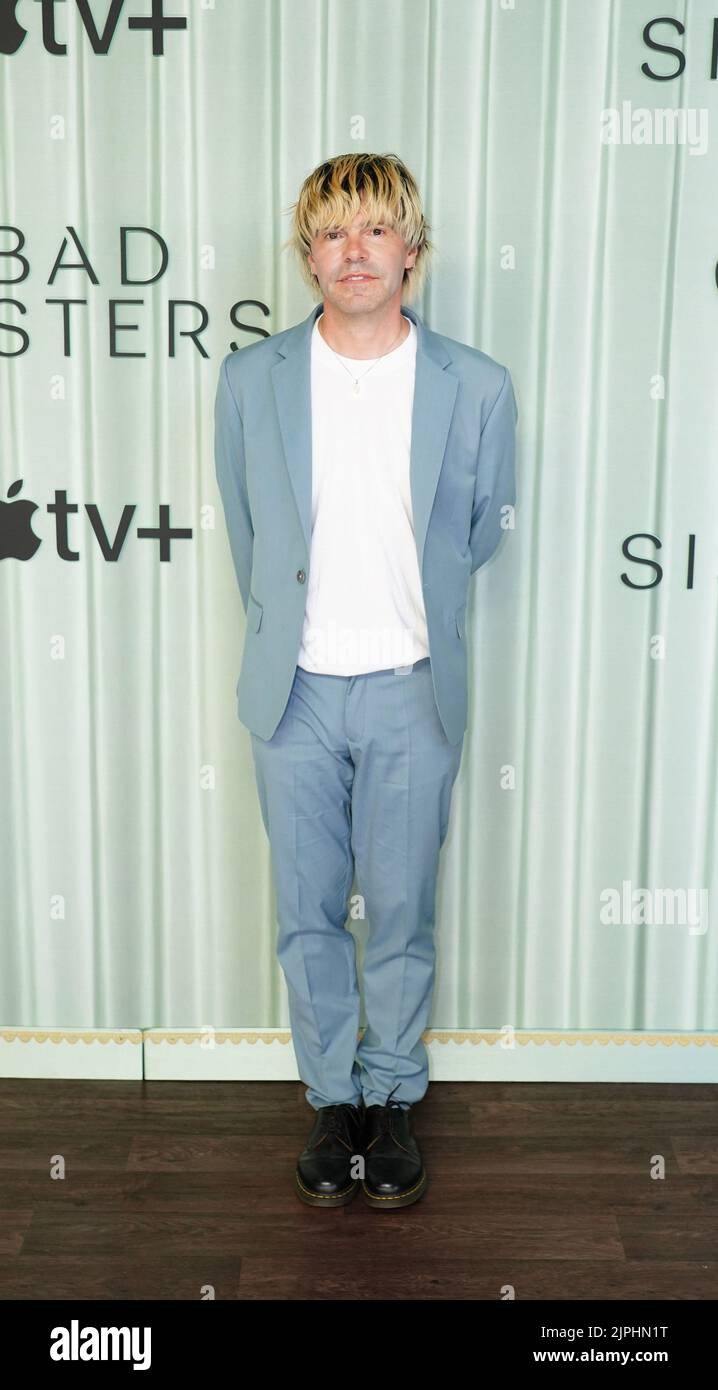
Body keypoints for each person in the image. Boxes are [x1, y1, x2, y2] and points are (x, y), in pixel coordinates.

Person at [214, 152, 517, 1211]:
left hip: (409, 686)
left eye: (377, 229)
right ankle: (330, 1097)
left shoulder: (475, 385)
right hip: (290, 691)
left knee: (398, 908)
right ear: (308, 255)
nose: (356, 250)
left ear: (411, 253)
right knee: (306, 911)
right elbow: (248, 532)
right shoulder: (250, 379)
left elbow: (477, 532)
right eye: (335, 232)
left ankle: (391, 1099)